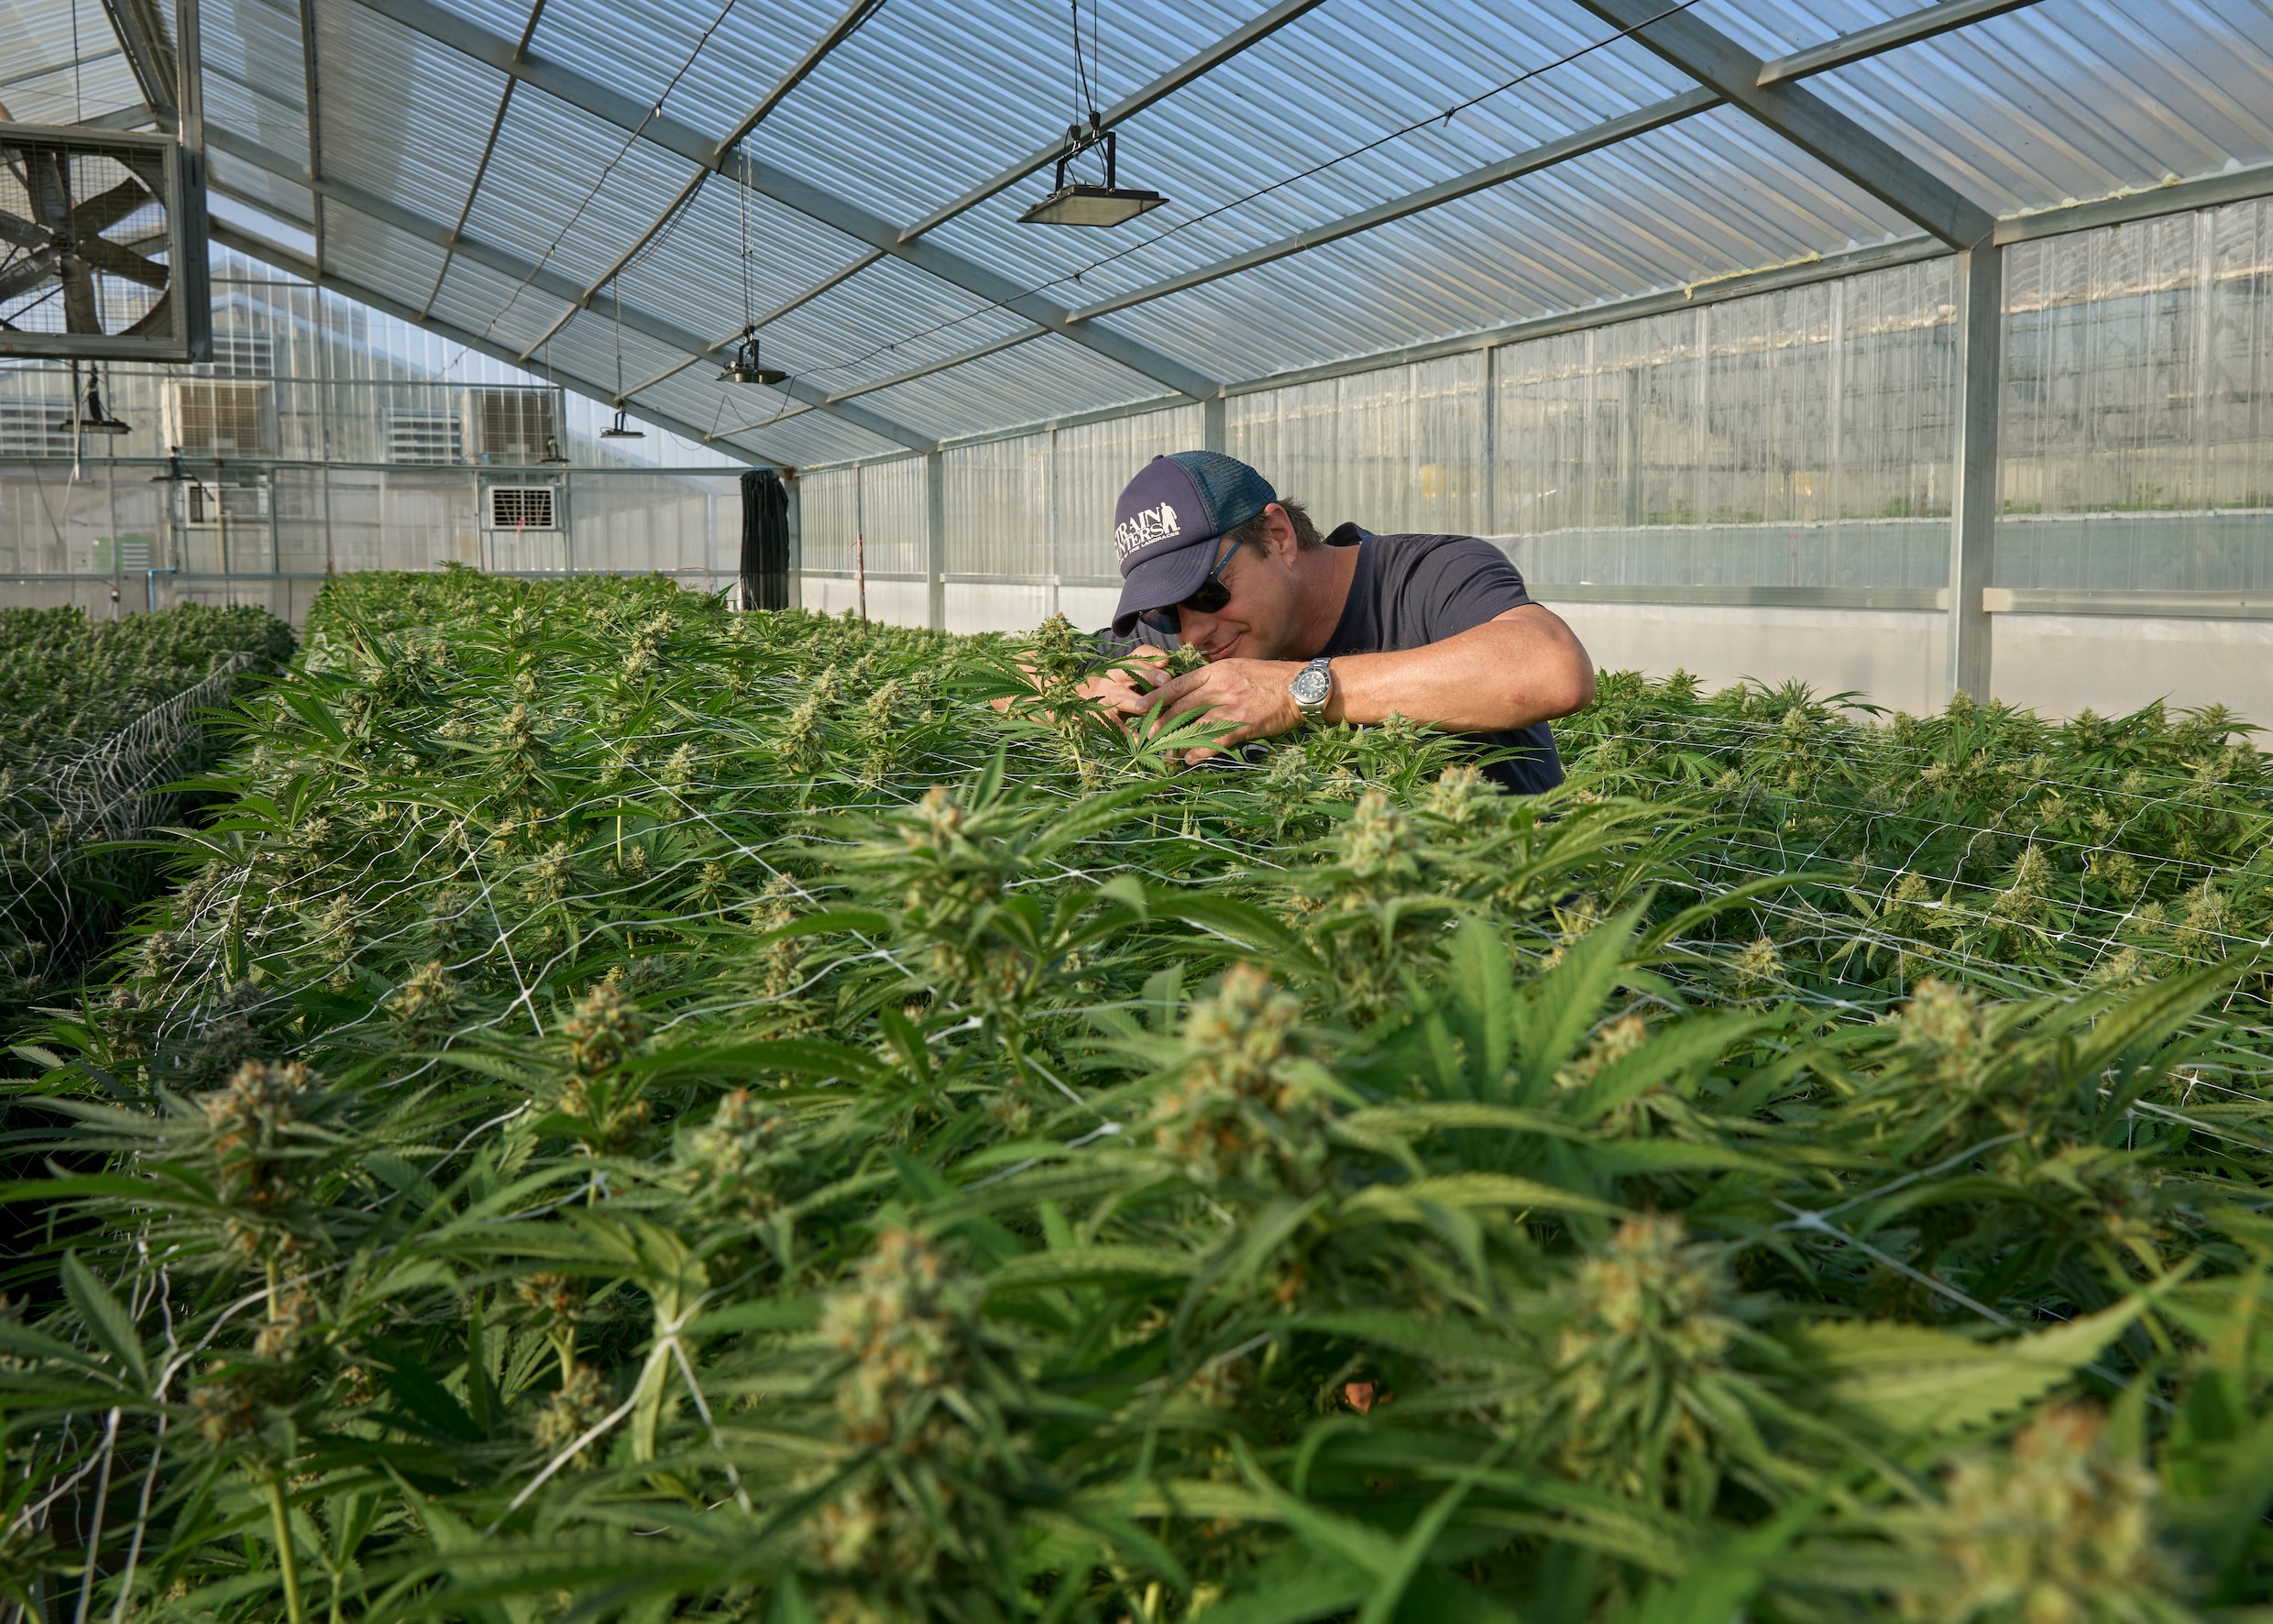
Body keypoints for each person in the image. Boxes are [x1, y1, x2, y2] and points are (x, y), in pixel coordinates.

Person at [1089, 450, 1594, 794]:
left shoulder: (1430, 576)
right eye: (1163, 610)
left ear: (1279, 535)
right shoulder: (1194, 632)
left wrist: (1294, 690)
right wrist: (1083, 692)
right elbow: (1022, 669)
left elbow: (1551, 673)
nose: (1192, 633)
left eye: (1206, 591)